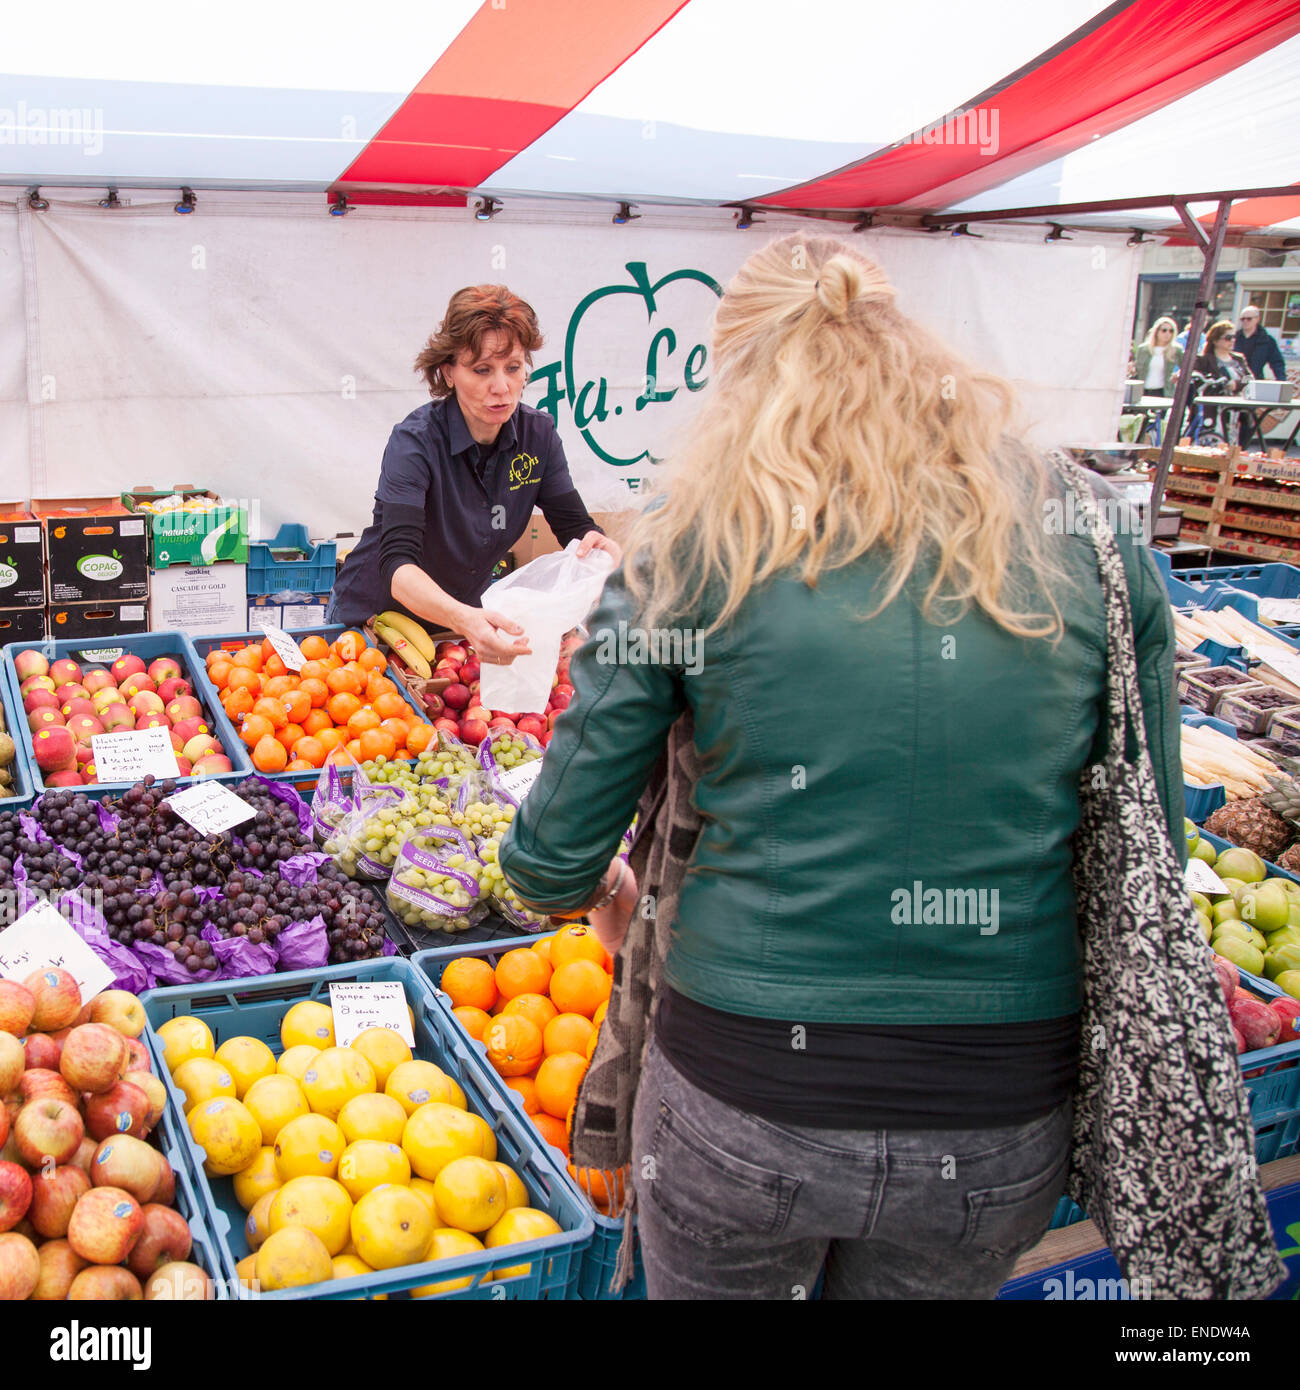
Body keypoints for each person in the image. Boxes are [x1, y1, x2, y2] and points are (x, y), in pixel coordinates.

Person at [498, 234, 1182, 1300]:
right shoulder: (1090, 531)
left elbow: (547, 864)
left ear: (742, 380)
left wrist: (620, 892)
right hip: (998, 1112)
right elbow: (1154, 847)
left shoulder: (694, 541)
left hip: (742, 1092)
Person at [328, 285, 621, 663]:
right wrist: (466, 619)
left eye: (513, 368)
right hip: (373, 618)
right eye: (482, 369)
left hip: (466, 622)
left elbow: (575, 529)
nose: (501, 388)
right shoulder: (414, 442)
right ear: (448, 372)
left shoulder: (539, 436)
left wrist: (598, 548)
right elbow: (397, 563)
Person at [1193, 319, 1253, 444]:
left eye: (1233, 337)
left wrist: (1237, 384)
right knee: (1215, 439)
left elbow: (1249, 378)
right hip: (1214, 408)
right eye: (1228, 337)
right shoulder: (1204, 359)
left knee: (1235, 440)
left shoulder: (1238, 359)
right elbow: (1196, 378)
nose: (1232, 340)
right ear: (1215, 340)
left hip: (1237, 409)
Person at [1234, 304, 1288, 381]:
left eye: (1249, 319)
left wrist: (1281, 380)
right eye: (1242, 319)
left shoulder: (1267, 340)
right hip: (1236, 380)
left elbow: (1277, 363)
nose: (1245, 321)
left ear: (1257, 319)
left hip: (1256, 379)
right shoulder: (1234, 339)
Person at [1131, 316, 1182, 397]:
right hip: (1143, 391)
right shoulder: (1143, 349)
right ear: (1156, 331)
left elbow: (1186, 368)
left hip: (1163, 392)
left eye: (1171, 331)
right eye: (1164, 330)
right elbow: (1136, 370)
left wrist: (1178, 375)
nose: (1167, 333)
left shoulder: (1176, 349)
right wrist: (1132, 370)